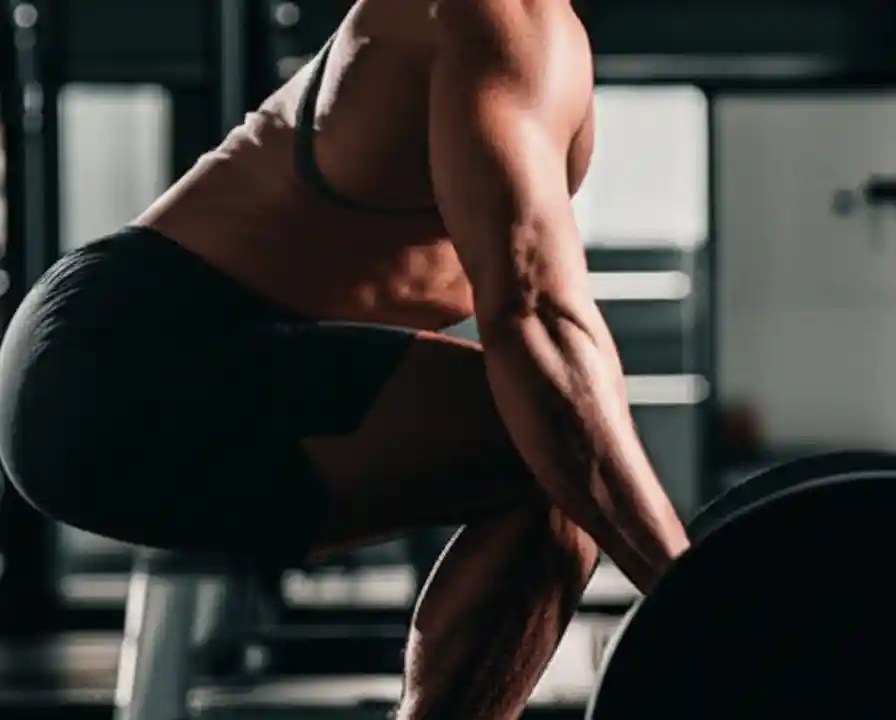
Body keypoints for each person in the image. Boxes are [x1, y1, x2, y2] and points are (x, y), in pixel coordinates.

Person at [0, 0, 691, 716]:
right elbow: (538, 317)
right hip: (122, 357)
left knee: (553, 456)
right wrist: (704, 593)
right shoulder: (498, 17)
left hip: (123, 361)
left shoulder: (539, 33)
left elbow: (565, 340)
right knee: (544, 447)